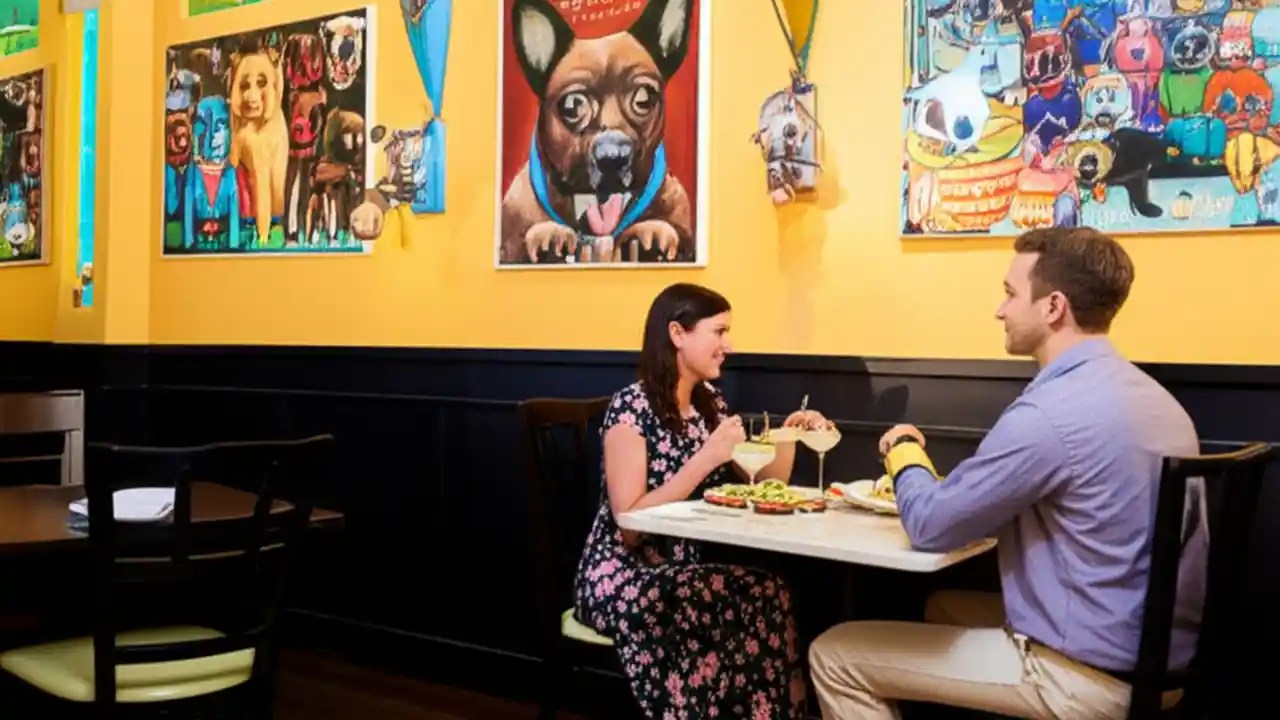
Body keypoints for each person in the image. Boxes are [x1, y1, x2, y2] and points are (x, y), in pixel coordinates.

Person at [809, 227, 1206, 719]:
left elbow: (930, 525)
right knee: (941, 606)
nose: (1000, 310)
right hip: (1157, 658)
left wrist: (905, 450)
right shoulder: (1157, 401)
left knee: (835, 655)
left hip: (1084, 675)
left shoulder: (1050, 413)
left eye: (1010, 294)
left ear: (1053, 306)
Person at [573, 282, 831, 720]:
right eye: (719, 331)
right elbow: (629, 524)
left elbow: (767, 480)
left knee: (771, 592)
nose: (728, 345)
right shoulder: (630, 409)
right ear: (678, 334)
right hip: (622, 575)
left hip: (682, 569)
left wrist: (789, 434)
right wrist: (707, 456)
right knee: (735, 601)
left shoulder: (708, 404)